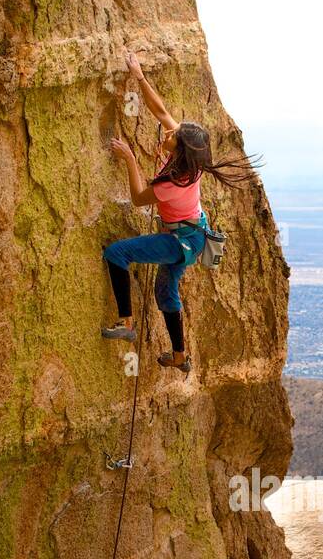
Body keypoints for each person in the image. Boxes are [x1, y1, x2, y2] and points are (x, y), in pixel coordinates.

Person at [101, 51, 258, 372]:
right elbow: (160, 111)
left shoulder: (175, 181)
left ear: (181, 147)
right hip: (193, 236)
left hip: (180, 242)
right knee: (165, 291)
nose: (168, 132)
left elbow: (138, 198)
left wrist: (130, 158)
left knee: (117, 254)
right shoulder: (188, 161)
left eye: (174, 135)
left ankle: (126, 321)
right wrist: (139, 75)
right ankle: (179, 356)